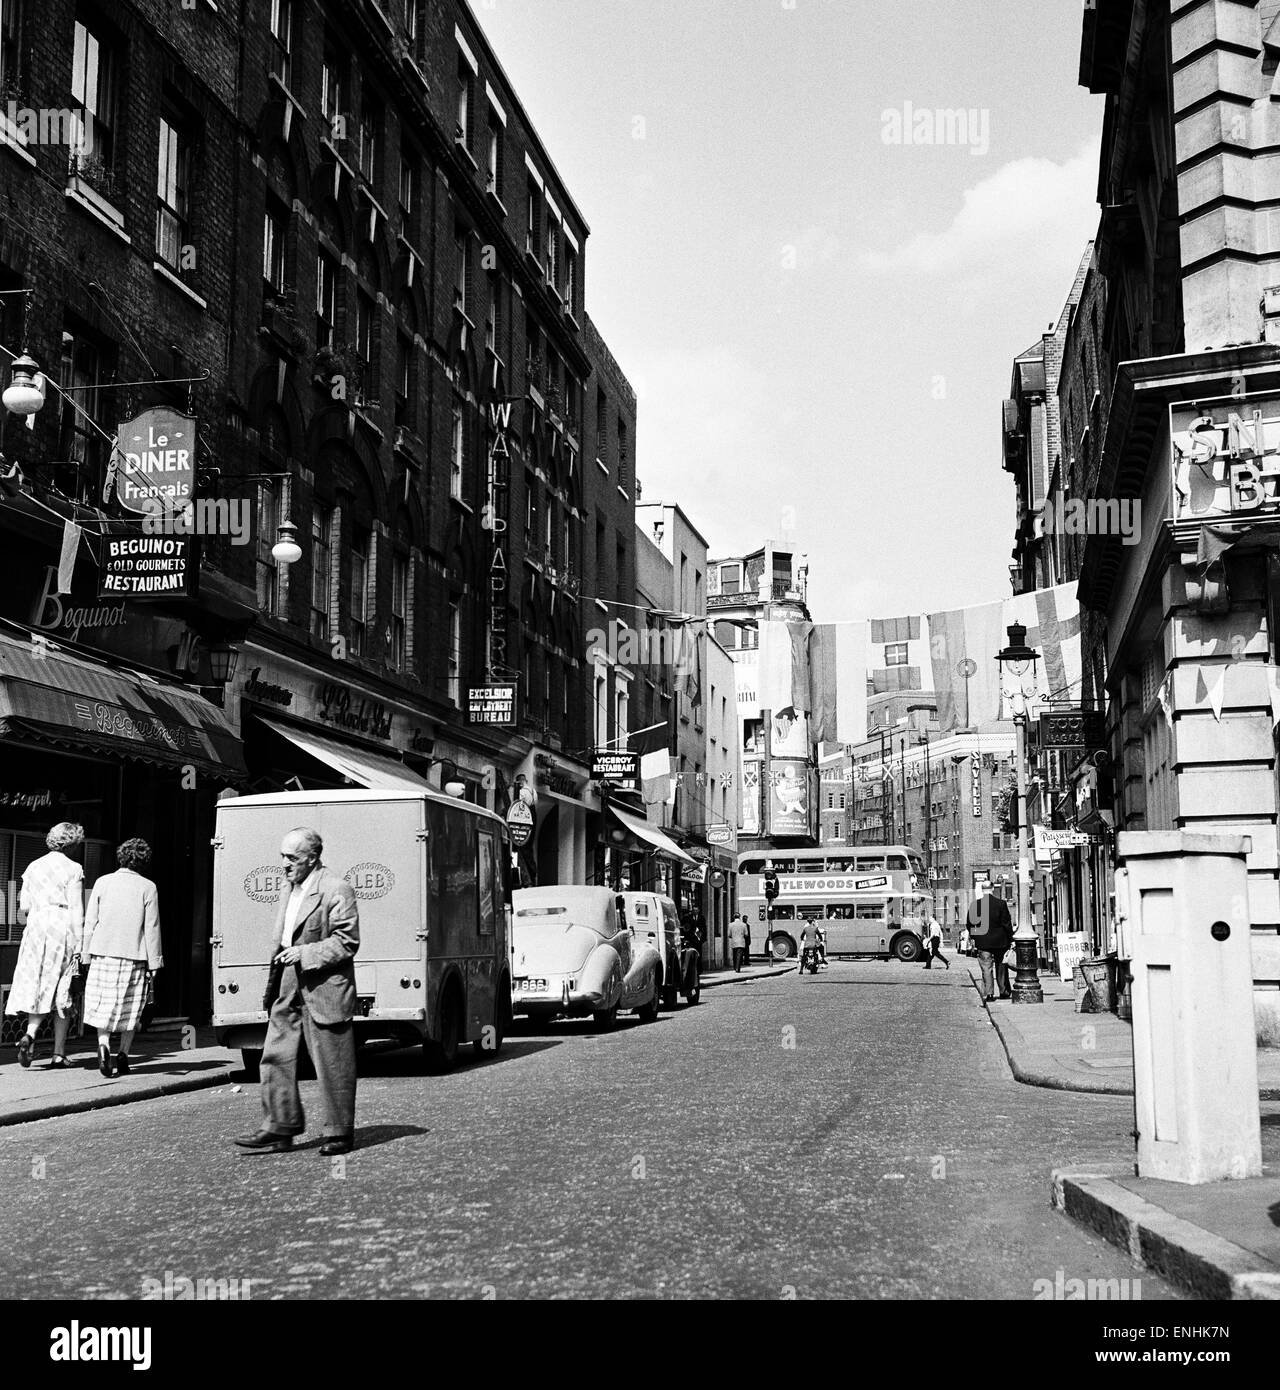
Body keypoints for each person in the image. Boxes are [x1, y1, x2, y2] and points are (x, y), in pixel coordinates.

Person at [235, 827, 360, 1157]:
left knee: (333, 1061)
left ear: (313, 858)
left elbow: (347, 942)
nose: (285, 865)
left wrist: (305, 954)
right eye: (282, 857)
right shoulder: (287, 888)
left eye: (292, 858)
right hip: (288, 979)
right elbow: (284, 936)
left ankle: (339, 1132)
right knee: (275, 1052)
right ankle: (279, 1125)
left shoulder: (336, 889)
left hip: (324, 984)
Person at [81, 838, 163, 1078]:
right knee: (130, 1007)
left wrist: (85, 952)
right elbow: (152, 927)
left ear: (121, 857)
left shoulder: (102, 882)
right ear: (144, 861)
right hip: (134, 955)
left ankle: (104, 1045)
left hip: (103, 953)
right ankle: (124, 1053)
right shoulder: (148, 887)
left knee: (102, 1003)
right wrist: (155, 961)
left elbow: (90, 920)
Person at [6, 822, 85, 1069]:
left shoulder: (33, 867)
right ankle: (58, 1053)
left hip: (36, 927)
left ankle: (30, 1034)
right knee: (63, 988)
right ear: (72, 843)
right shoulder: (73, 868)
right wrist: (80, 944)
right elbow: (77, 909)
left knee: (40, 984)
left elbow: (25, 906)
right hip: (61, 927)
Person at [966, 888, 1013, 1001]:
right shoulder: (1001, 904)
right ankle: (1004, 991)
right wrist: (1010, 938)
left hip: (983, 943)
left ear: (982, 890)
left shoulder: (975, 905)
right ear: (992, 889)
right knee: (1001, 967)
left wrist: (976, 938)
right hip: (1000, 942)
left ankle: (989, 993)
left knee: (986, 968)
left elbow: (970, 924)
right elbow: (1006, 923)